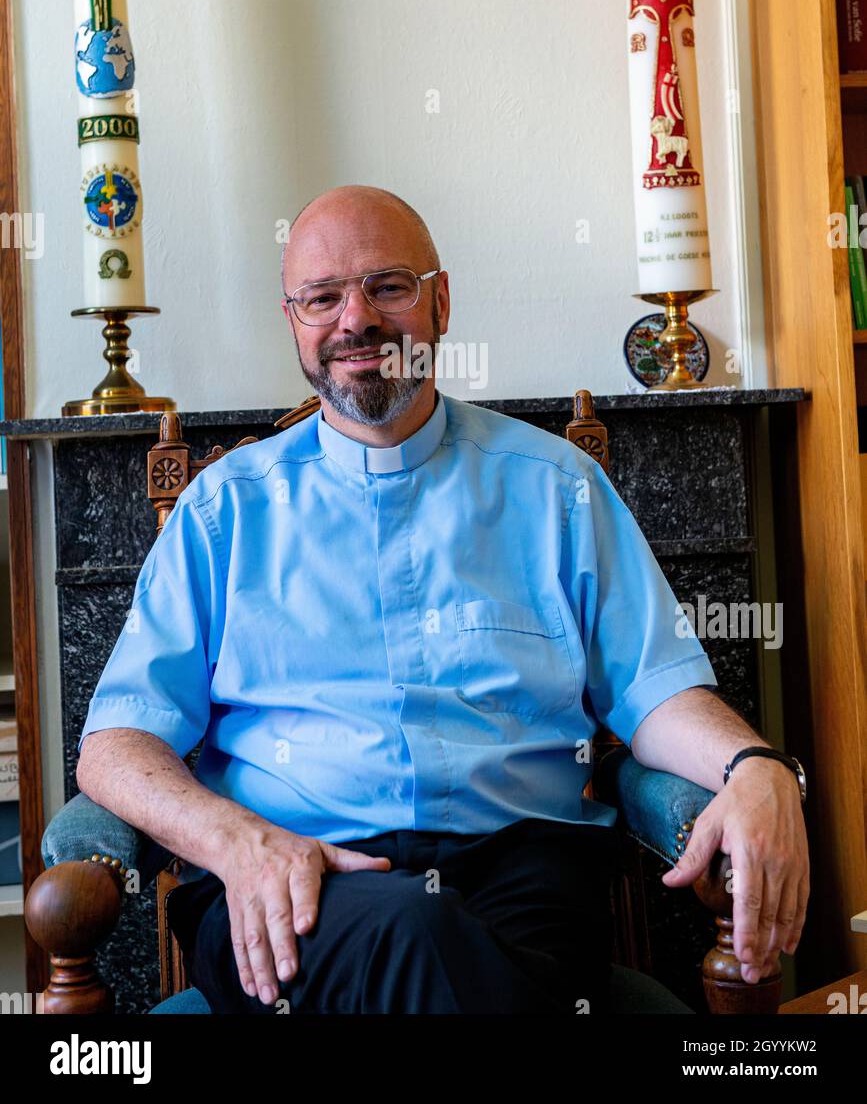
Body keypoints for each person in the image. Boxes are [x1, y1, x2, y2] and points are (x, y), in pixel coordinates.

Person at [76, 185, 809, 1014]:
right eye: (323, 297)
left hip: (519, 877)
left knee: (438, 941)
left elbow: (655, 690)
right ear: (295, 322)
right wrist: (235, 842)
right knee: (415, 934)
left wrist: (754, 767)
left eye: (387, 286)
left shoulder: (556, 489)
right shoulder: (224, 511)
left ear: (441, 301)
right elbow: (114, 744)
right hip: (288, 888)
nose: (355, 319)